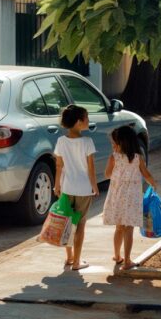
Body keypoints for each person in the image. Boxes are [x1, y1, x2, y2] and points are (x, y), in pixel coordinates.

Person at [102, 126, 158, 270]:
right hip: (132, 198)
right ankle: (127, 260)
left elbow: (107, 175)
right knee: (128, 229)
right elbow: (146, 175)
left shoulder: (113, 157)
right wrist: (153, 184)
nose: (112, 145)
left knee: (119, 227)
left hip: (117, 196)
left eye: (114, 143)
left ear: (121, 143)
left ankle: (117, 256)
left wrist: (116, 173)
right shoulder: (138, 158)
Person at [53, 104, 99, 271]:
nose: (88, 121)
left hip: (66, 187)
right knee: (80, 225)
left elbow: (58, 166)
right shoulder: (87, 142)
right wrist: (94, 187)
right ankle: (78, 262)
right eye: (87, 118)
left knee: (67, 222)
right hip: (83, 188)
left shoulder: (60, 141)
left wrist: (56, 185)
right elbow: (91, 168)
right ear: (79, 122)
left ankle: (69, 258)